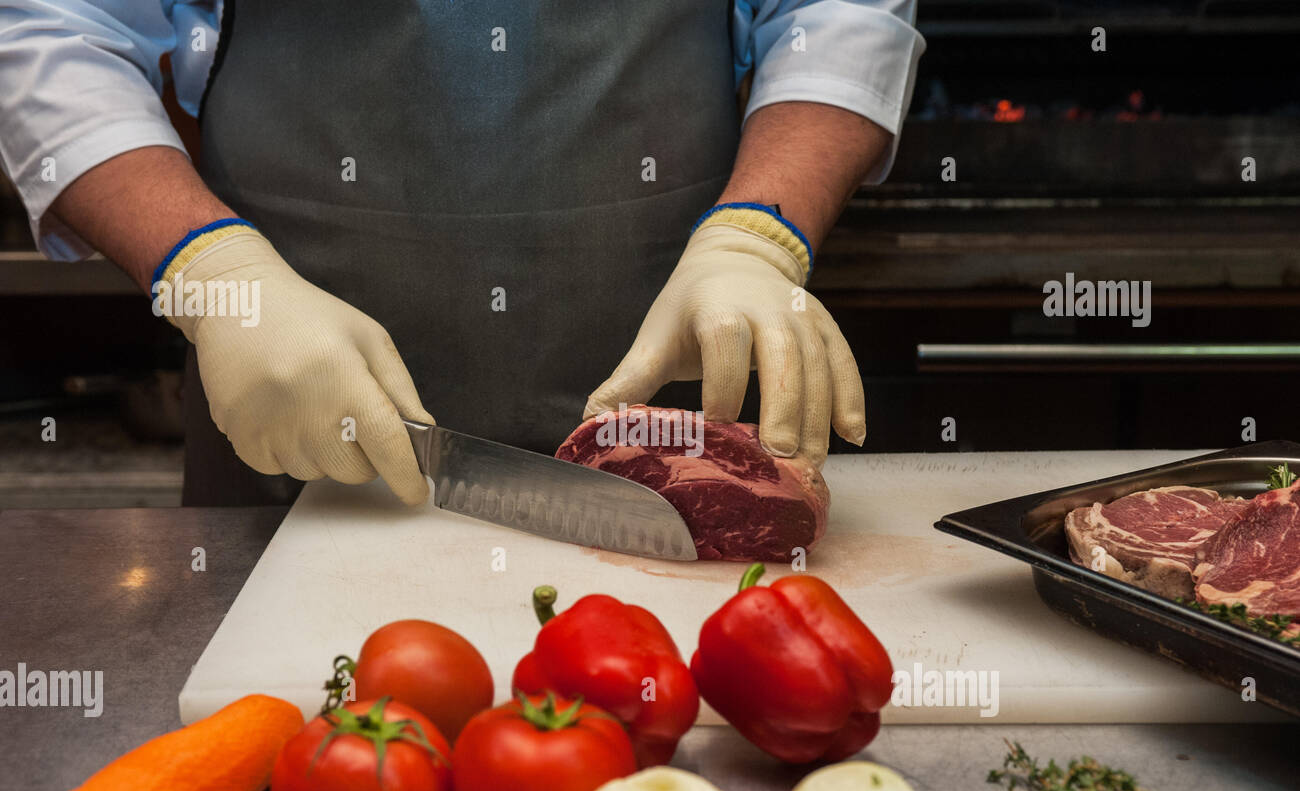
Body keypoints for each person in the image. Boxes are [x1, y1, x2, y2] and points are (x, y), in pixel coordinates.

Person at [0, 1, 924, 505]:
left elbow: (833, 9)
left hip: (676, 453)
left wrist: (755, 237)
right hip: (295, 449)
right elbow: (53, 28)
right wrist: (210, 272)